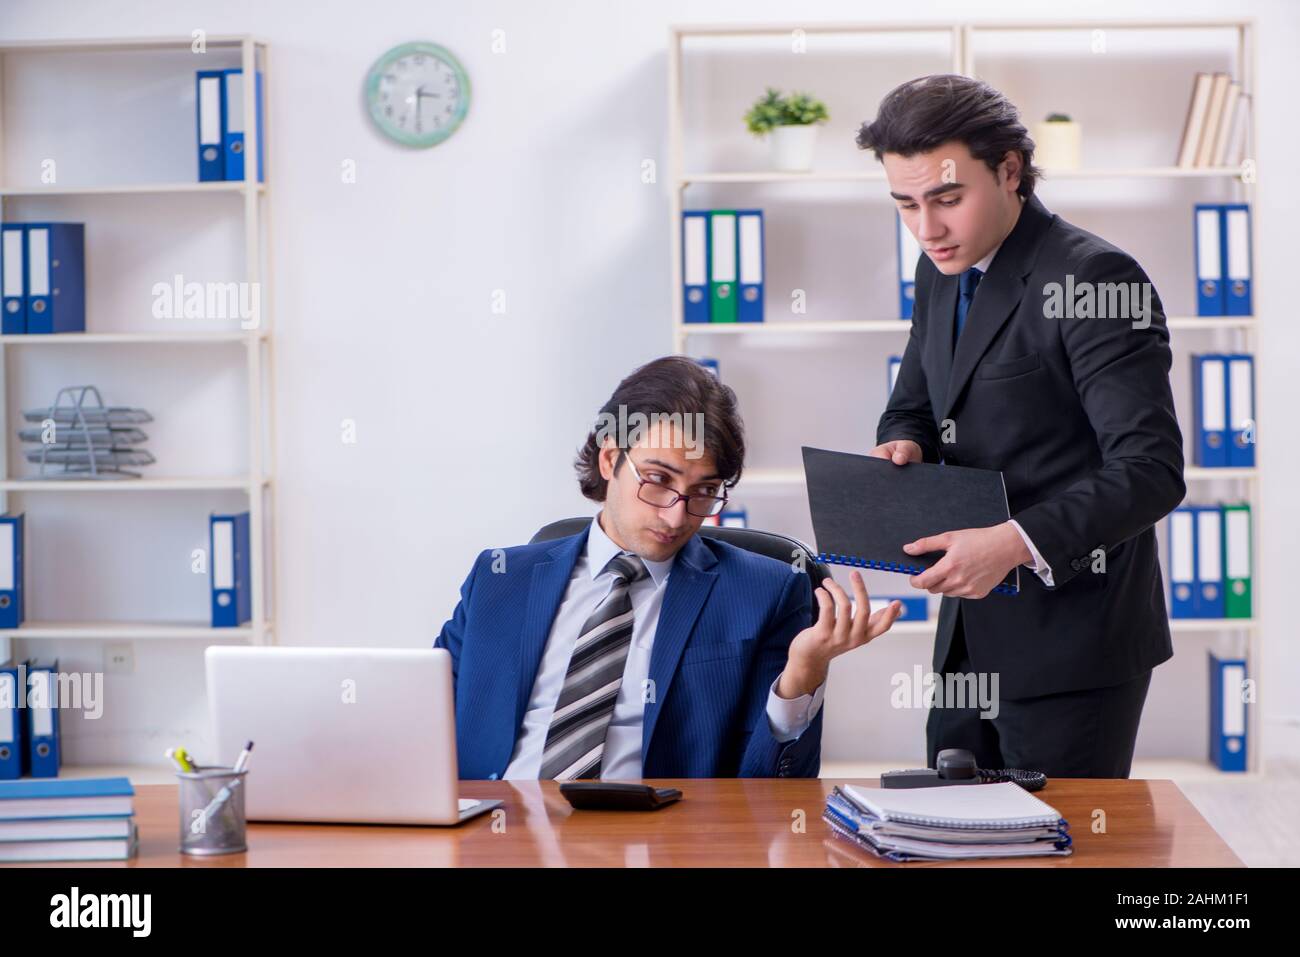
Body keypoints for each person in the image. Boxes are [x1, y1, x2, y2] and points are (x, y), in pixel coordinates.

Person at [856, 74, 1185, 778]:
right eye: (906, 204)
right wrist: (902, 441)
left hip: (1074, 641)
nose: (927, 227)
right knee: (949, 834)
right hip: (966, 635)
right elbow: (914, 400)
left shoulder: (1094, 278)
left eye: (947, 199)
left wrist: (1012, 542)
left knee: (1058, 845)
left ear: (1010, 170)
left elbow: (1150, 471)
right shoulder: (940, 269)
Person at [435, 356, 901, 779]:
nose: (678, 516)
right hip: (495, 833)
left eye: (704, 491)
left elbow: (772, 794)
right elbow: (426, 722)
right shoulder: (498, 579)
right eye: (658, 481)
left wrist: (803, 673)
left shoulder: (765, 592)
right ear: (610, 458)